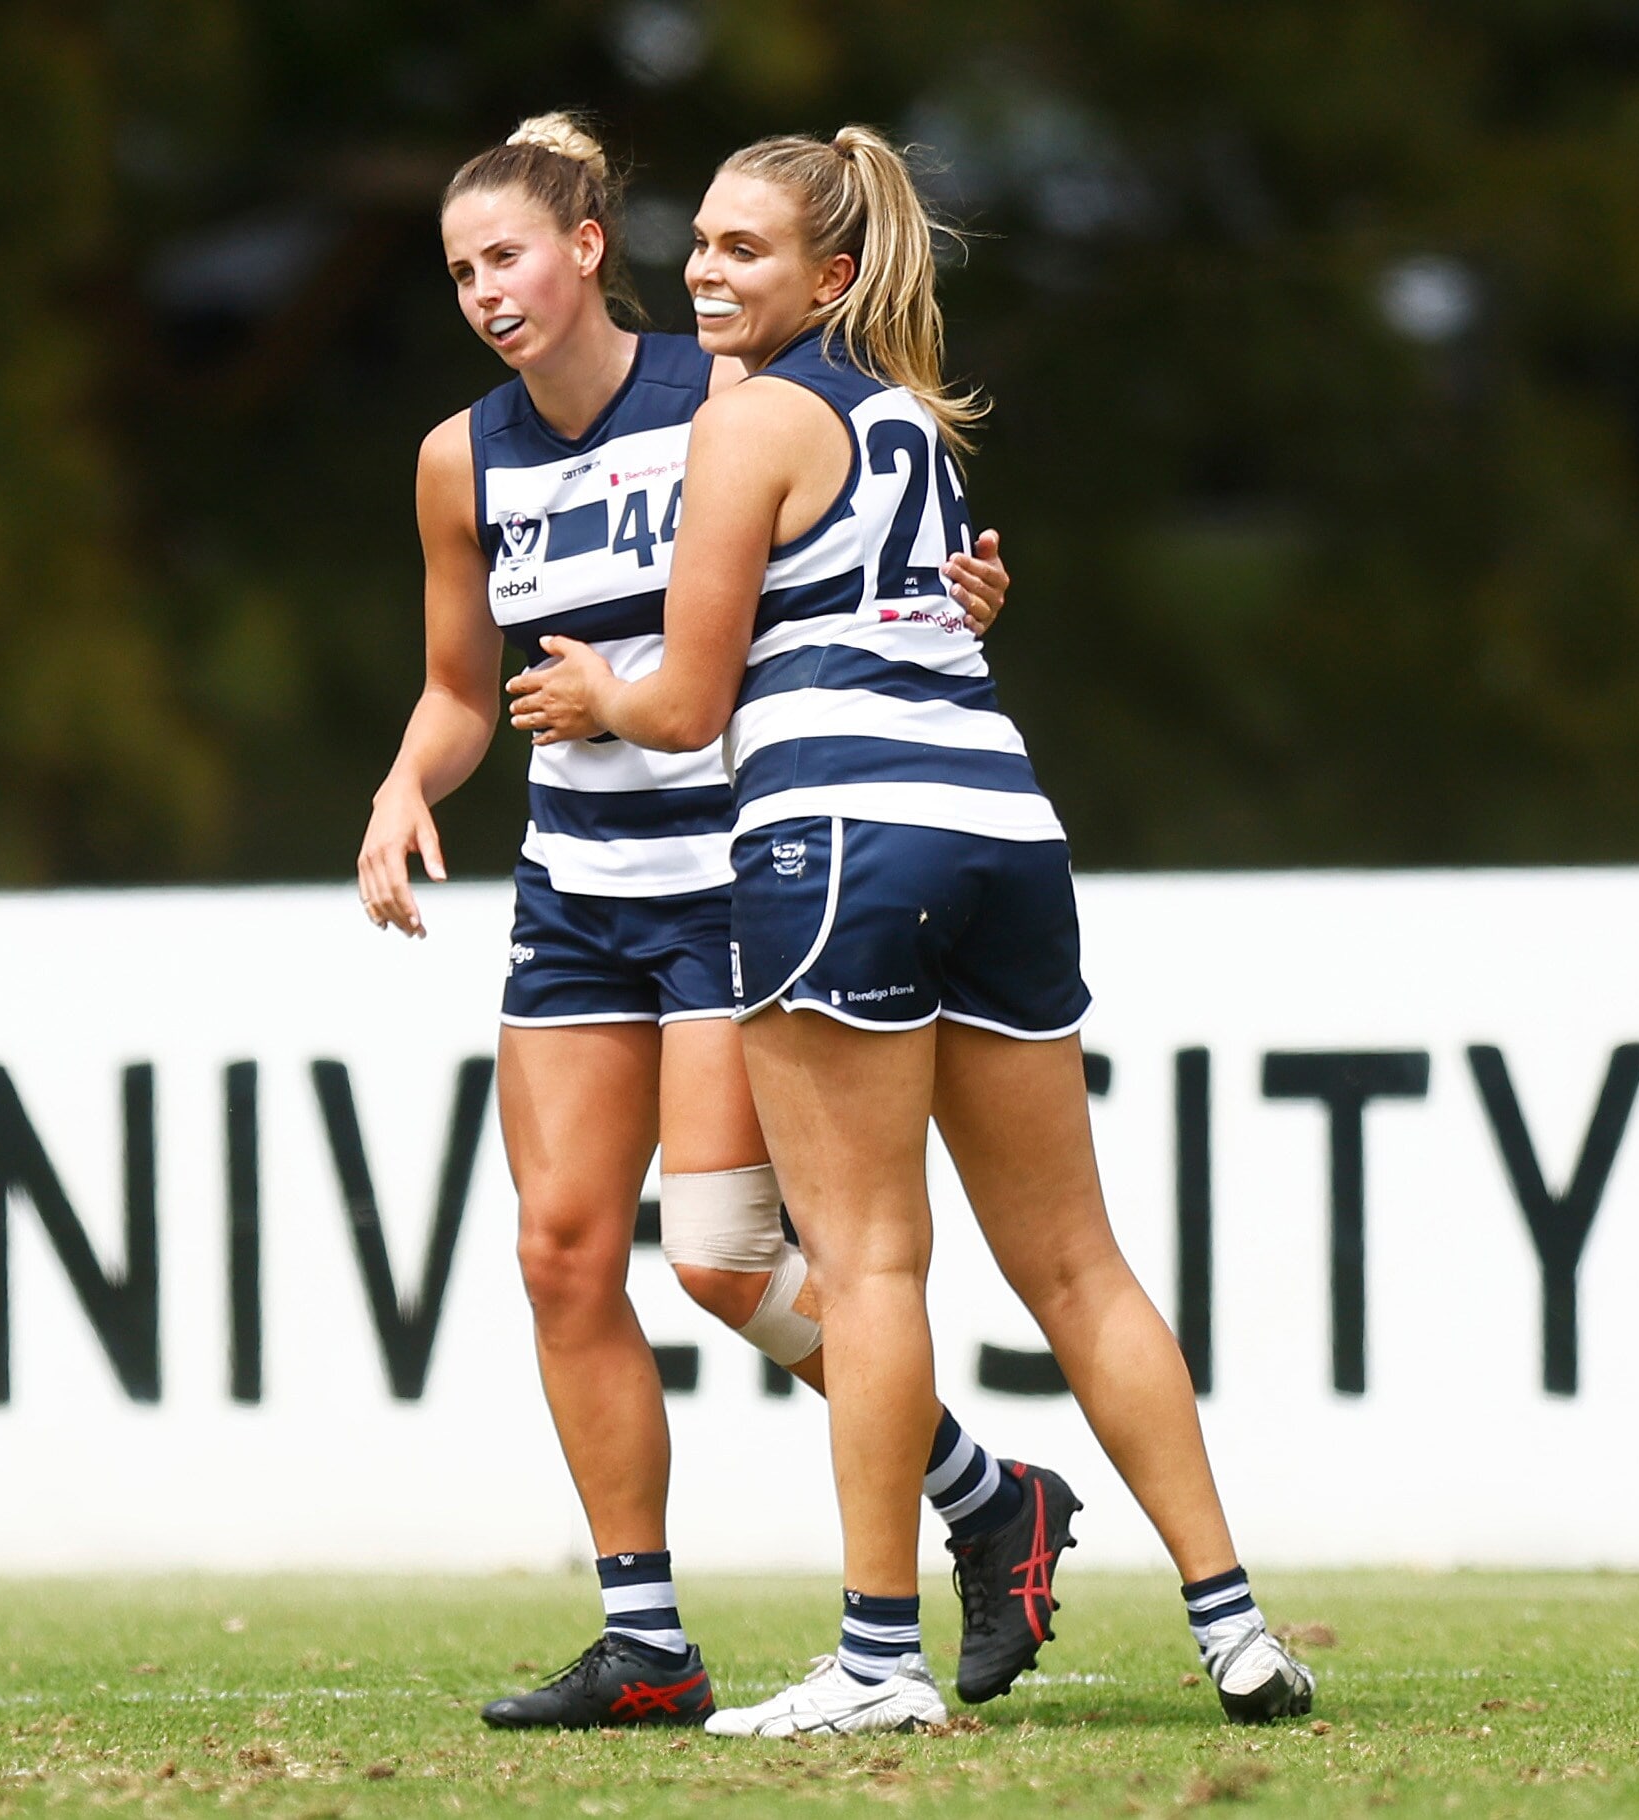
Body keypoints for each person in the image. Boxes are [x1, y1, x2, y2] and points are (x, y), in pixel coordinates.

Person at [506, 126, 1318, 1737]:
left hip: (843, 835)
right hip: (1007, 826)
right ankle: (1236, 1630)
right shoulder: (913, 428)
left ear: (834, 272)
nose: (707, 271)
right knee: (1079, 1263)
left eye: (746, 250)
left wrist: (597, 691)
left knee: (869, 1262)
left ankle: (878, 1660)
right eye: (705, 243)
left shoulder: (755, 429)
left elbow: (682, 700)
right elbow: (910, 615)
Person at [358, 115, 1077, 1733]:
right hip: (575, 891)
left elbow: (866, 553)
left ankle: (975, 1492)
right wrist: (408, 788)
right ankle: (648, 1642)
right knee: (558, 1255)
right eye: (460, 268)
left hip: (731, 880)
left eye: (509, 257)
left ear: (589, 248)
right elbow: (460, 693)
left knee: (713, 1264)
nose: (485, 291)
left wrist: (956, 594)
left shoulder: (729, 394)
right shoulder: (458, 459)